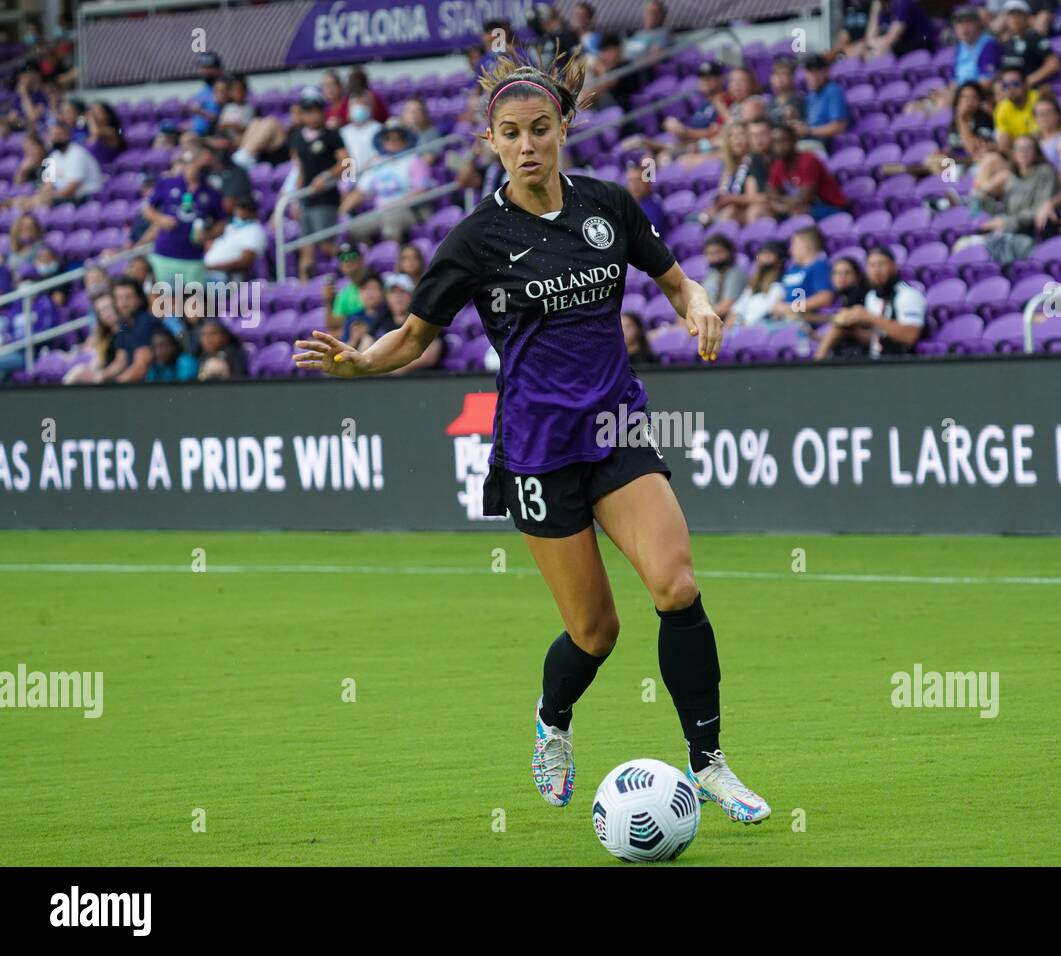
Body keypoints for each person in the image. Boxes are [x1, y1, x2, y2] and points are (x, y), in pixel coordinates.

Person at [293, 51, 770, 823]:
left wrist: (699, 306)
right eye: (510, 133)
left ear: (563, 129)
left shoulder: (609, 205)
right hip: (538, 450)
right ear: (490, 142)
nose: (527, 144)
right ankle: (552, 722)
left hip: (614, 428)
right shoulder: (476, 239)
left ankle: (709, 762)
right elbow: (415, 336)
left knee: (676, 586)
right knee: (595, 631)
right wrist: (362, 365)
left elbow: (679, 280)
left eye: (540, 129)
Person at [816, 246, 925, 357]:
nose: (877, 270)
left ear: (894, 266)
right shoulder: (871, 296)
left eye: (882, 264)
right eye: (872, 265)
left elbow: (910, 336)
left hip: (901, 363)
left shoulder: (908, 295)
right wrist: (850, 330)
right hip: (874, 362)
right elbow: (877, 339)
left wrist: (870, 317)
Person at [288, 90, 350, 281]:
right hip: (308, 197)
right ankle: (305, 288)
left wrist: (326, 176)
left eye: (316, 111)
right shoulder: (298, 137)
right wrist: (296, 199)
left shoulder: (332, 135)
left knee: (325, 243)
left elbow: (347, 163)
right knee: (306, 246)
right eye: (308, 111)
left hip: (326, 197)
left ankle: (351, 262)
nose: (312, 116)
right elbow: (299, 171)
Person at [143, 143, 223, 289]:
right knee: (165, 303)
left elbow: (221, 223)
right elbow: (147, 209)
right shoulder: (167, 183)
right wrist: (161, 219)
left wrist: (208, 235)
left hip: (192, 258)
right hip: (164, 254)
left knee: (192, 305)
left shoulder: (211, 192)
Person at [971, 135, 1060, 264]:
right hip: (1009, 230)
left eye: (1027, 148)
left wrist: (1006, 222)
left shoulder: (1045, 172)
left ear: (1036, 153)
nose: (1023, 152)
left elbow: (1039, 209)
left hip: (1031, 234)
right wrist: (984, 200)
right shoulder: (1012, 177)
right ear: (1014, 154)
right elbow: (1003, 210)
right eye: (1019, 149)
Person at [341, 120, 431, 242]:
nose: (392, 142)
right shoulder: (377, 162)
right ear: (383, 141)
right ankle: (367, 256)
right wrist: (341, 212)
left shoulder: (414, 160)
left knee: (390, 219)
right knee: (354, 228)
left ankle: (395, 257)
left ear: (404, 140)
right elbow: (360, 192)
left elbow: (422, 190)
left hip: (410, 210)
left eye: (397, 138)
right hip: (381, 211)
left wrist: (395, 204)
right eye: (388, 138)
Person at [766, 122, 849, 221]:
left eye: (783, 141)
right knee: (767, 213)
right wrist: (780, 205)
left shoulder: (808, 160)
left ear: (794, 140)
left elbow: (804, 198)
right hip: (799, 207)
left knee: (799, 214)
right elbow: (771, 192)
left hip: (830, 207)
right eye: (775, 142)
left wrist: (781, 204)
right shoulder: (778, 164)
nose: (779, 146)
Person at [101, 279, 160, 384]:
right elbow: (120, 361)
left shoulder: (146, 322)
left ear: (140, 299)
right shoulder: (123, 324)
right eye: (119, 298)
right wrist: (98, 378)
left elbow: (141, 367)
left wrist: (111, 387)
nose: (123, 303)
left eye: (128, 297)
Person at [770, 226, 835, 322]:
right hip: (783, 318)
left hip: (805, 319)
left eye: (794, 244)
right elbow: (783, 294)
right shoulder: (793, 268)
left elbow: (825, 297)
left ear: (807, 245)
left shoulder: (819, 266)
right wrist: (778, 306)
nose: (790, 250)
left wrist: (792, 307)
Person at [813, 256, 873, 359]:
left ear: (857, 276)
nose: (842, 277)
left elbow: (841, 323)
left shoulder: (863, 296)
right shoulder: (840, 299)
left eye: (847, 273)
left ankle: (816, 365)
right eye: (836, 273)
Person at [998, 0, 1061, 88]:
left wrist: (1030, 80)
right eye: (1011, 16)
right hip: (1010, 89)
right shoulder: (1008, 41)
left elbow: (1054, 63)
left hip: (1030, 90)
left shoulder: (1034, 37)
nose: (1015, 19)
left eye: (1019, 15)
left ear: (1026, 17)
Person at [204, 194, 267, 282]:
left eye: (243, 208)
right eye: (238, 207)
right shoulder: (231, 227)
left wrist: (212, 267)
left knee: (186, 283)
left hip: (226, 277)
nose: (239, 211)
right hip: (208, 270)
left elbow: (244, 262)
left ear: (252, 212)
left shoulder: (255, 231)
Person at [795, 54, 849, 149]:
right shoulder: (811, 96)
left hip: (826, 145)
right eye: (810, 72)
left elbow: (839, 126)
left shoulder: (833, 91)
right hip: (809, 141)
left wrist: (809, 131)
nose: (814, 77)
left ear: (826, 72)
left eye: (818, 72)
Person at [862, 0, 939, 59]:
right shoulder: (880, 6)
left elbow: (891, 39)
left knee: (877, 54)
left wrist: (872, 47)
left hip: (922, 51)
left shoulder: (903, 2)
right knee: (871, 53)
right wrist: (875, 10)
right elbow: (869, 39)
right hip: (902, 53)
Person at [341, 272, 397, 350]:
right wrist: (354, 339)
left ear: (382, 292)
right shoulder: (352, 317)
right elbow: (344, 348)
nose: (370, 293)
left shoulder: (392, 312)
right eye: (365, 289)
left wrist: (369, 333)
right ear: (359, 293)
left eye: (374, 288)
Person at [701, 234, 747, 322]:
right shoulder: (711, 273)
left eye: (719, 252)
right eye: (711, 254)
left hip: (723, 321)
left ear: (729, 252)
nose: (716, 258)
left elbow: (726, 307)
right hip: (708, 318)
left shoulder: (736, 274)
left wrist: (700, 316)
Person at [993, 66, 1039, 152]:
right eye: (1005, 85)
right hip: (1020, 154)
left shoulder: (1039, 100)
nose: (1010, 89)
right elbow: (1004, 145)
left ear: (1026, 84)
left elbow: (1039, 137)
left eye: (1015, 84)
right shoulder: (1002, 108)